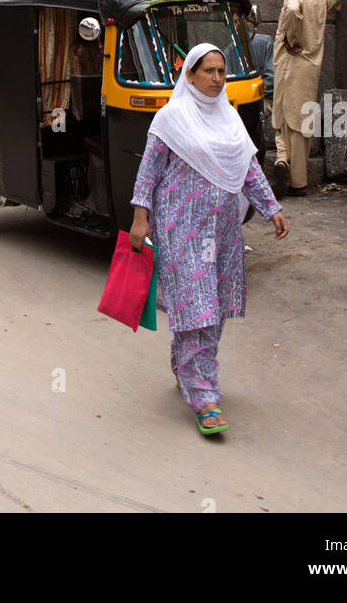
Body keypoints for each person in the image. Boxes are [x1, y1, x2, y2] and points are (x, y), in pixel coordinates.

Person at [129, 43, 288, 436]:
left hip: (223, 231)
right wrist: (139, 217)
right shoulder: (171, 118)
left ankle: (187, 364)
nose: (217, 79)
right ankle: (204, 395)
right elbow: (149, 171)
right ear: (191, 75)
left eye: (222, 71)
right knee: (198, 307)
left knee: (212, 308)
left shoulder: (230, 118)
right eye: (209, 71)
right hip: (179, 228)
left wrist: (271, 208)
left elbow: (248, 168)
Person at [272, 0, 343, 200]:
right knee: (301, 124)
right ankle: (290, 172)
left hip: (290, 68)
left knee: (283, 119)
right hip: (309, 72)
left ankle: (287, 166)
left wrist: (291, 40)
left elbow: (292, 9)